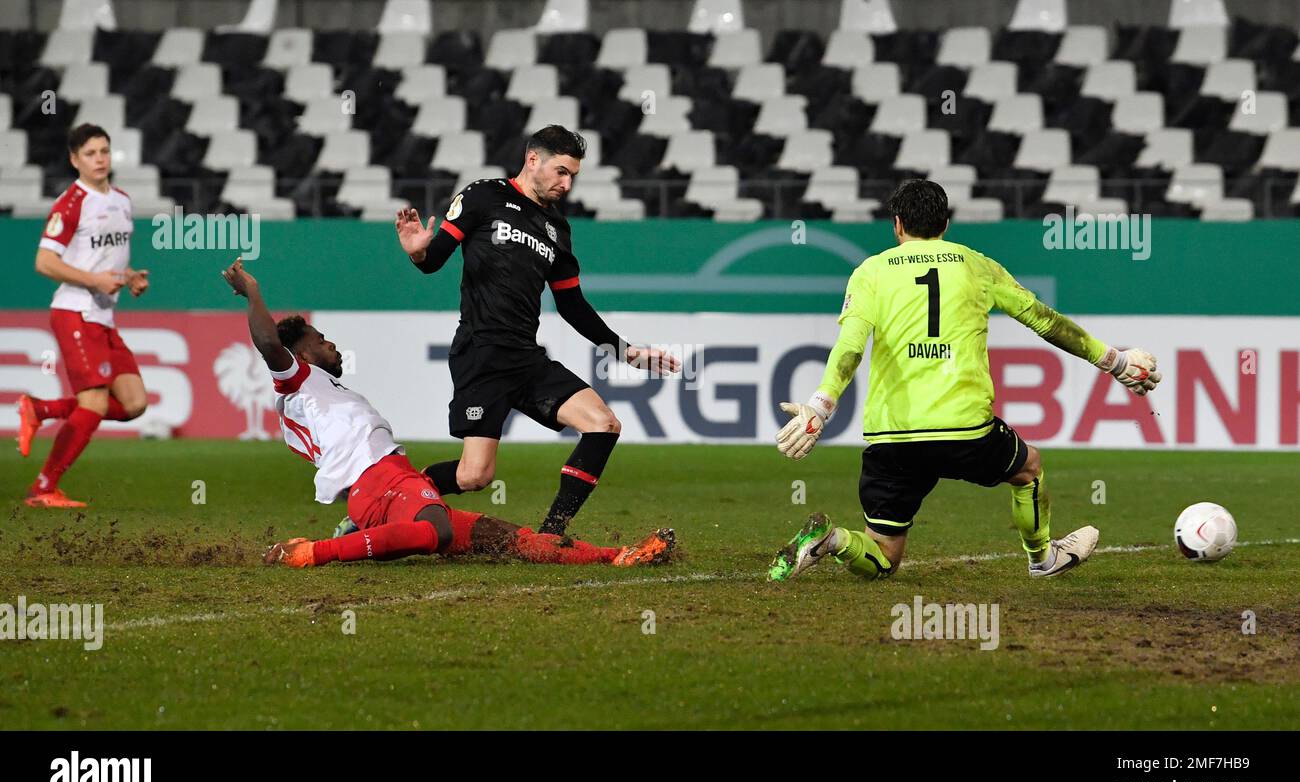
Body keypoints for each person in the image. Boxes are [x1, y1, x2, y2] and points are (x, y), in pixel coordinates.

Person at [769, 179, 1161, 581]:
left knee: (884, 558)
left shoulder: (871, 272)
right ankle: (1042, 558)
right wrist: (1114, 360)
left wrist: (821, 406)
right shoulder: (976, 264)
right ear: (945, 223)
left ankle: (832, 541)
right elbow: (1045, 321)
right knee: (1028, 470)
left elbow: (850, 347)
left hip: (893, 436)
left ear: (898, 224)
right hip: (965, 431)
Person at [219, 258, 674, 569]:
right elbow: (267, 343)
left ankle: (617, 556)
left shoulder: (323, 390)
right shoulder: (298, 382)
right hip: (382, 483)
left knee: (508, 541)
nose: (330, 343)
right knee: (433, 530)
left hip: (395, 485)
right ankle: (313, 553)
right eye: (320, 340)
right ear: (301, 354)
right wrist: (253, 292)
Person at [394, 124, 680, 536]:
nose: (567, 184)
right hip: (482, 352)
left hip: (526, 358)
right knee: (475, 476)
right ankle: (392, 497)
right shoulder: (483, 195)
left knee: (604, 423)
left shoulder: (557, 229)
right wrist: (418, 253)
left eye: (573, 176)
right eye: (561, 172)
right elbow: (434, 259)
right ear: (533, 160)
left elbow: (572, 305)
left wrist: (626, 351)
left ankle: (551, 534)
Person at [17, 123, 150, 508]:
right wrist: (93, 279)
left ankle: (41, 409)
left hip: (103, 317)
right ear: (75, 160)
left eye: (104, 151)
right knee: (92, 402)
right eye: (91, 153)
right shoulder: (71, 203)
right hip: (75, 312)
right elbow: (44, 261)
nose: (100, 159)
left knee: (134, 403)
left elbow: (103, 259)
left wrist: (128, 278)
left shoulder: (123, 201)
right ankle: (44, 488)